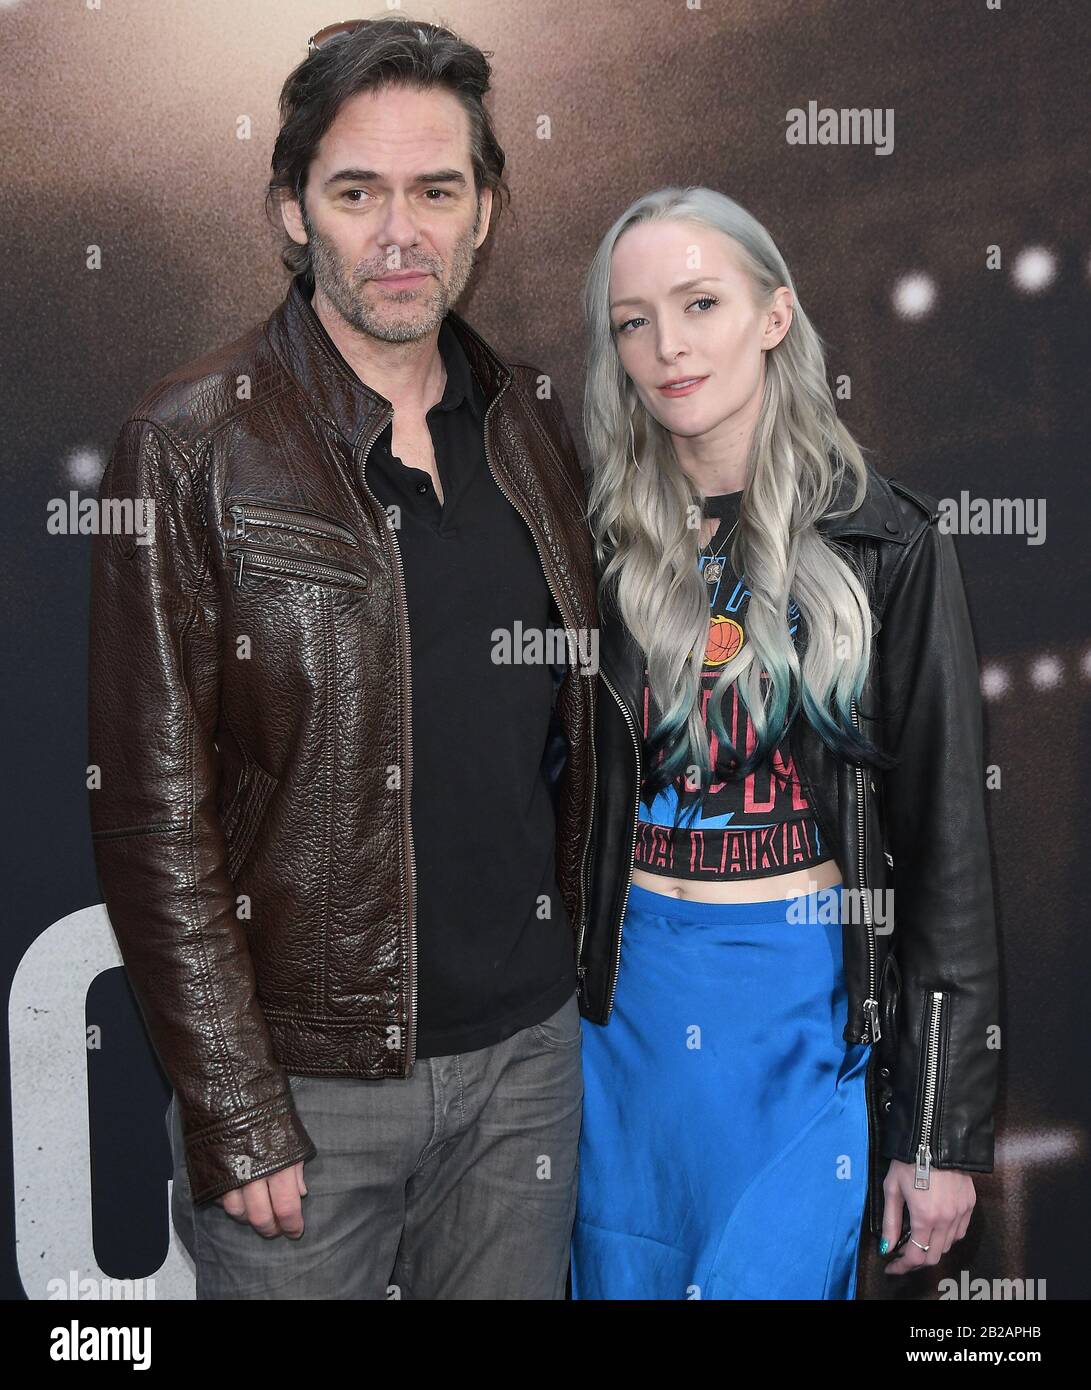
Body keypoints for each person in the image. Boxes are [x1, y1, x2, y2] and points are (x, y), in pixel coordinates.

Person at [87, 17, 597, 1300]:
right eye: (355, 191)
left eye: (436, 190)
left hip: (524, 1072)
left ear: (486, 207)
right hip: (307, 1092)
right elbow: (151, 813)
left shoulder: (535, 426)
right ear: (290, 212)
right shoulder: (191, 443)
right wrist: (236, 1104)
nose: (400, 231)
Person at [569, 186, 1001, 1299]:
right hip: (620, 1030)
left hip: (801, 1024)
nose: (665, 346)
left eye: (699, 303)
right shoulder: (585, 545)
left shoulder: (885, 543)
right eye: (632, 320)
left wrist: (940, 1131)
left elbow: (947, 848)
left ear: (773, 315)